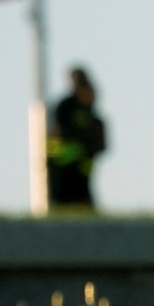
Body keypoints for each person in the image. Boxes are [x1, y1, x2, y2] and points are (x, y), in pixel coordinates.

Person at [46, 67, 106, 210]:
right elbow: (58, 132)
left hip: (82, 160)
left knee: (82, 192)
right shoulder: (65, 106)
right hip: (63, 160)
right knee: (62, 195)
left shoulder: (90, 112)